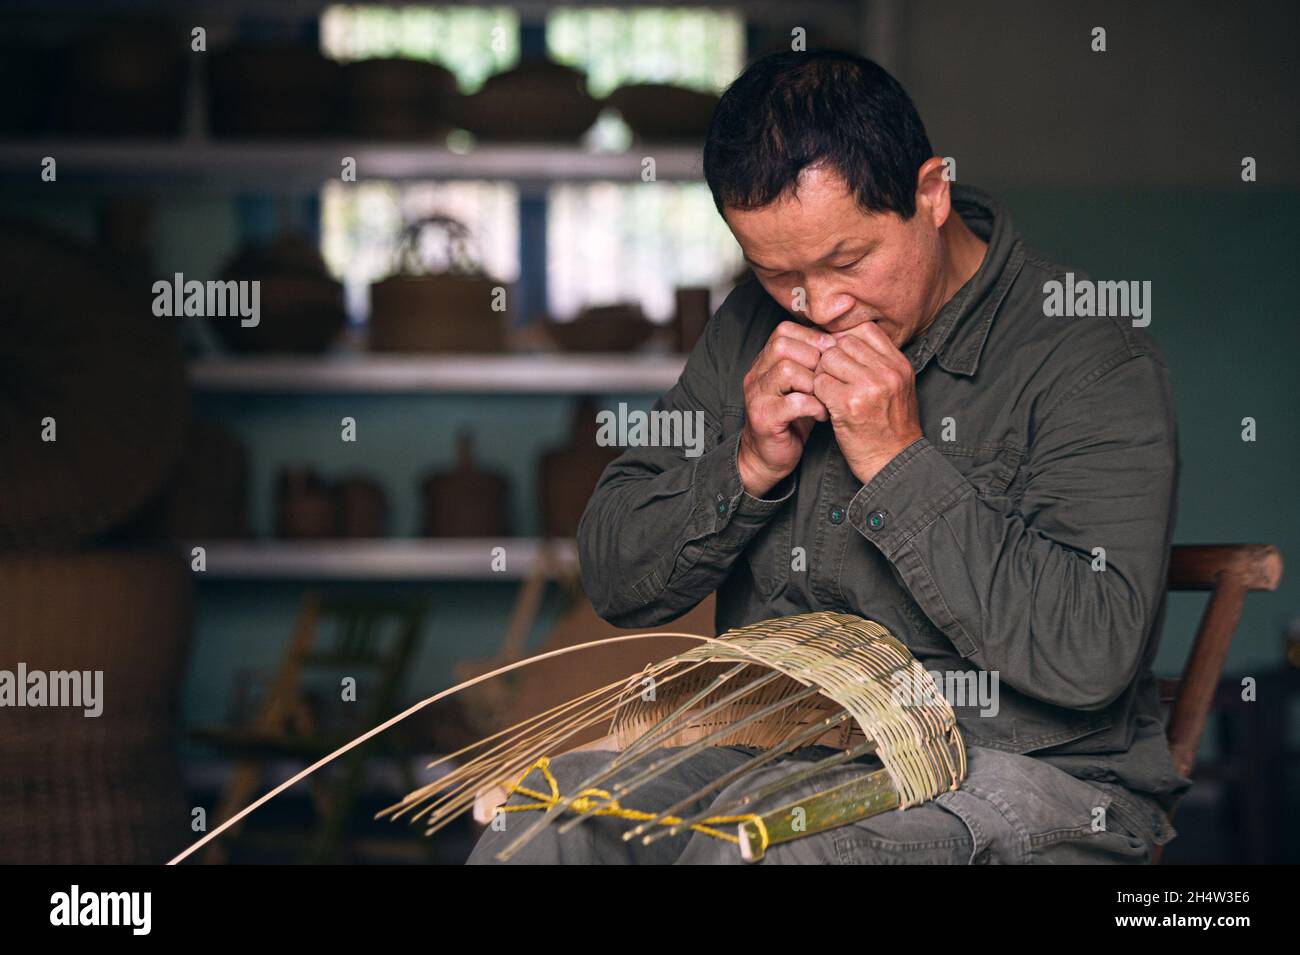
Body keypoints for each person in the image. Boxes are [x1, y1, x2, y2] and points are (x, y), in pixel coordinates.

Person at [469, 49, 1187, 864]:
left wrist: (899, 460)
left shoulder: (1085, 356)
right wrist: (745, 465)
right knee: (533, 830)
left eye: (848, 261)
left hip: (1027, 773)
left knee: (767, 855)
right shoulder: (750, 330)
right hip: (780, 755)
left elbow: (1090, 652)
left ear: (930, 192)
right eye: (780, 273)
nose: (821, 305)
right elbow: (614, 574)